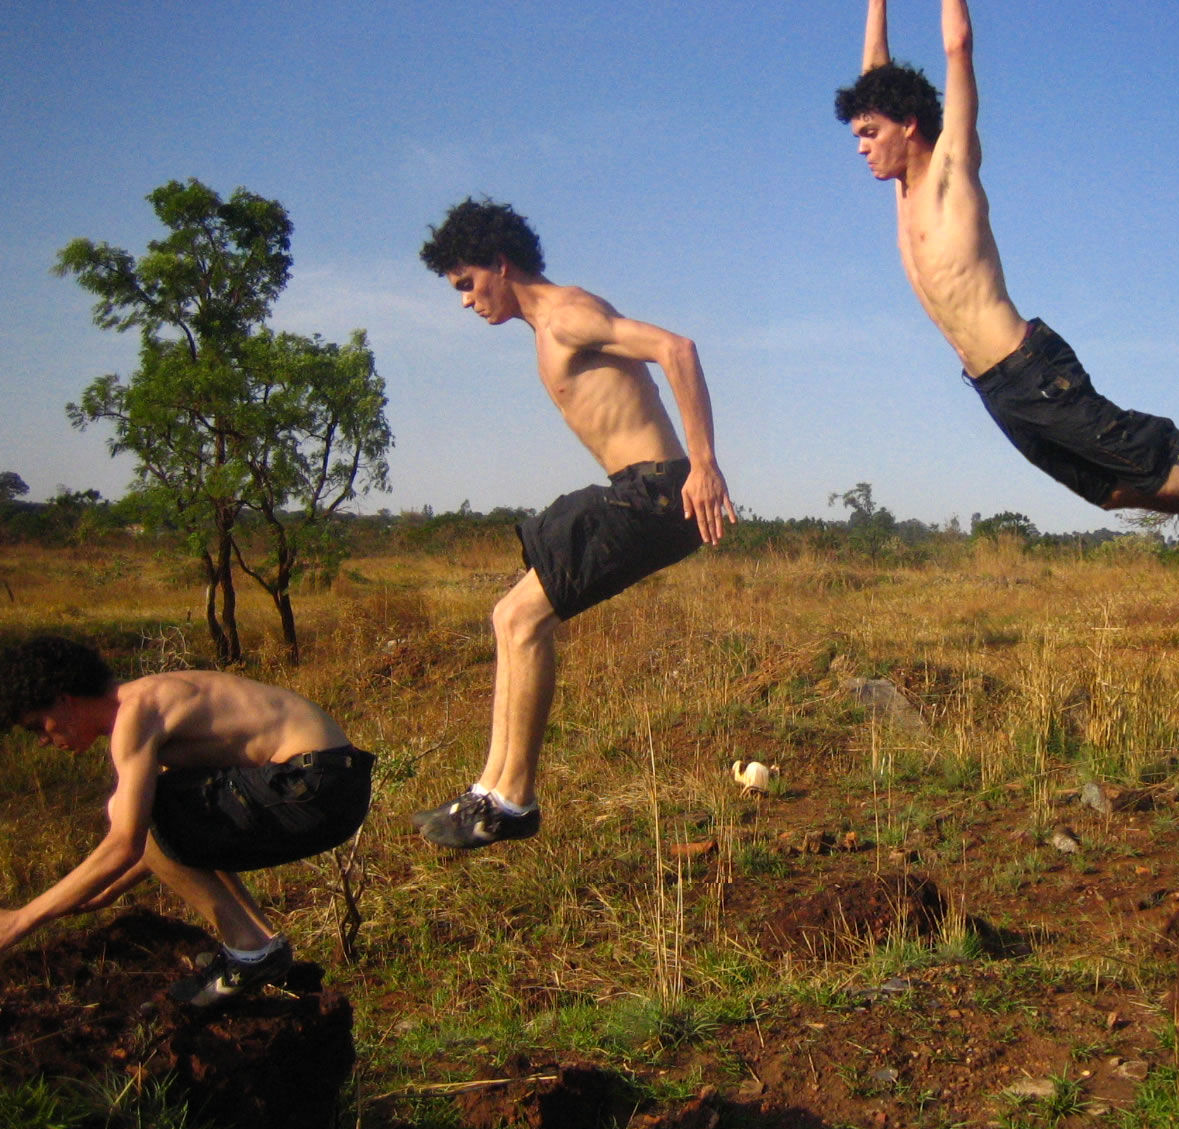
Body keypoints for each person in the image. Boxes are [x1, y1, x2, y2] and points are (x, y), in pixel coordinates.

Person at [834, 0, 1179, 600]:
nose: (860, 148)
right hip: (994, 389)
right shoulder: (900, 192)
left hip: (1031, 371)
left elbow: (958, 45)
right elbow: (875, 71)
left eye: (870, 133)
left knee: (1153, 471)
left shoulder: (952, 169)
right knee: (1113, 494)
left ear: (910, 124)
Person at [413, 198, 735, 848]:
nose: (466, 302)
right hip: (633, 490)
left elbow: (677, 348)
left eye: (468, 284)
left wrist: (704, 466)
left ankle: (513, 799)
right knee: (511, 617)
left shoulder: (566, 316)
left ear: (501, 265)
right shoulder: (547, 327)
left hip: (657, 494)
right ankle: (494, 789)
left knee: (522, 618)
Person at [0, 636, 373, 1006]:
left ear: (66, 701)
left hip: (312, 785)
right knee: (182, 808)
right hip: (334, 785)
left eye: (38, 727)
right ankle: (262, 945)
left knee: (135, 808)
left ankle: (250, 949)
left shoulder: (137, 712)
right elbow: (167, 838)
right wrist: (109, 891)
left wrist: (21, 920)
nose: (44, 742)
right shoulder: (155, 700)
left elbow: (128, 841)